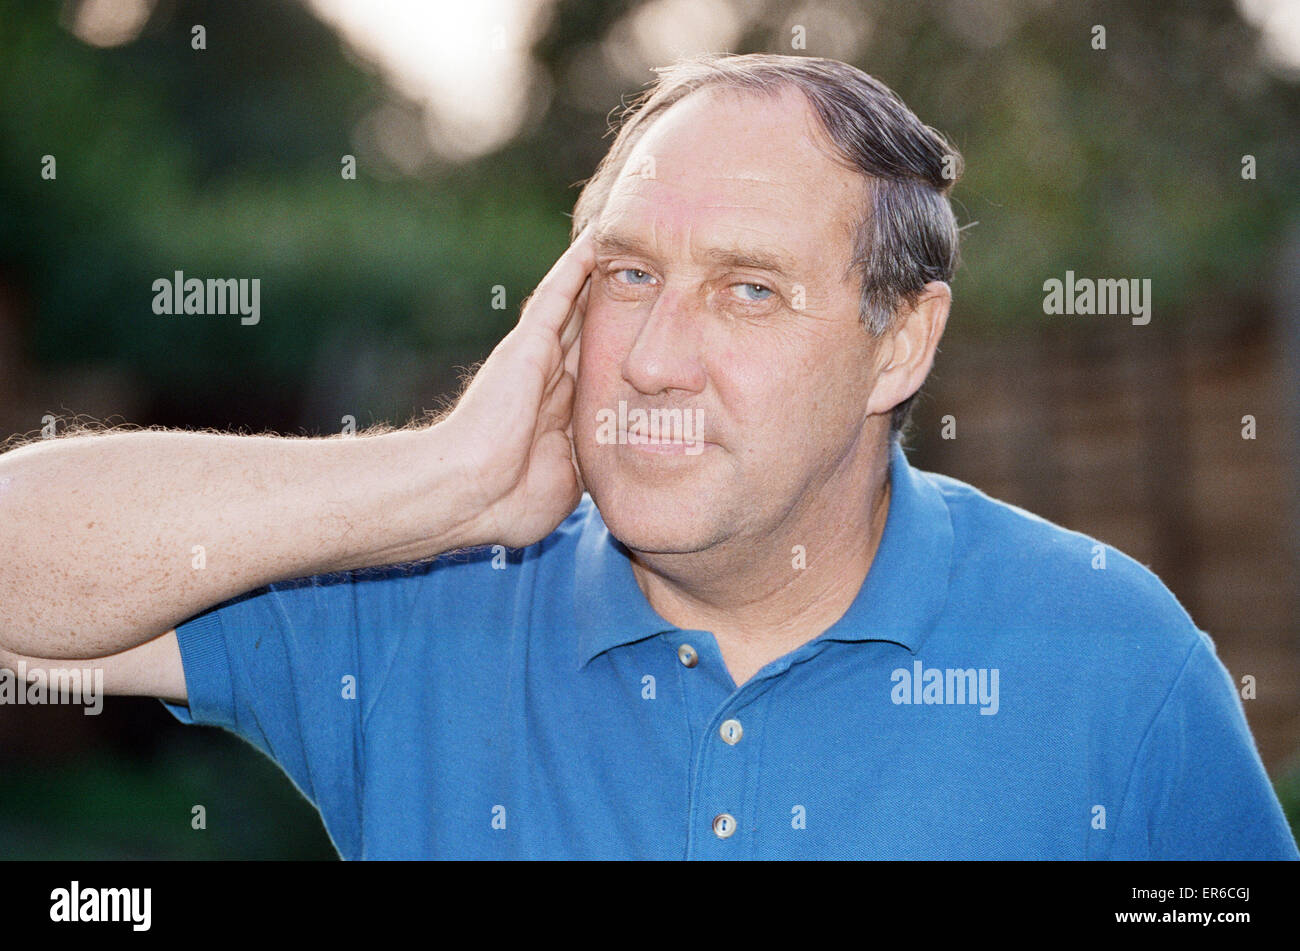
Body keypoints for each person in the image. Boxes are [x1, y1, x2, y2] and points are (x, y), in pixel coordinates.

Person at [1, 53, 1295, 860]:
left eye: (747, 291)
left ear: (900, 344)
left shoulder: (1114, 659)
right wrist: (437, 482)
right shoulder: (409, 605)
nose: (657, 357)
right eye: (628, 273)